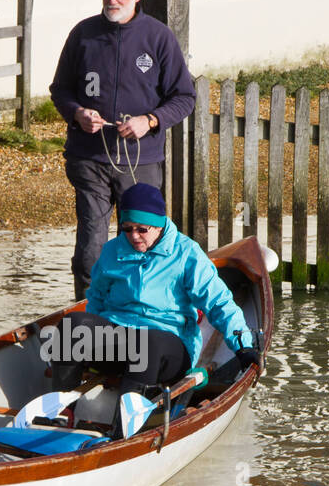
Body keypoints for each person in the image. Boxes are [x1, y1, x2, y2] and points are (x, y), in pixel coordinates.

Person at [48, 183, 261, 435]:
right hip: (120, 339)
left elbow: (218, 303)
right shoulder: (112, 251)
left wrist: (244, 346)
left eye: (142, 229)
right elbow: (95, 300)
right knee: (72, 324)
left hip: (168, 346)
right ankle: (59, 412)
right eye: (127, 229)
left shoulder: (187, 254)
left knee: (145, 345)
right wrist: (84, 347)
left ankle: (123, 432)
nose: (134, 236)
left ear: (159, 225)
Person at [49, 0, 195, 301]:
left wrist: (150, 121)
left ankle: (143, 309)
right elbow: (60, 89)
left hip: (140, 161)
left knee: (141, 240)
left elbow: (184, 97)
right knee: (91, 247)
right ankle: (89, 312)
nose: (111, 0)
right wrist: (77, 113)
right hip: (89, 157)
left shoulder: (158, 38)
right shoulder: (83, 34)